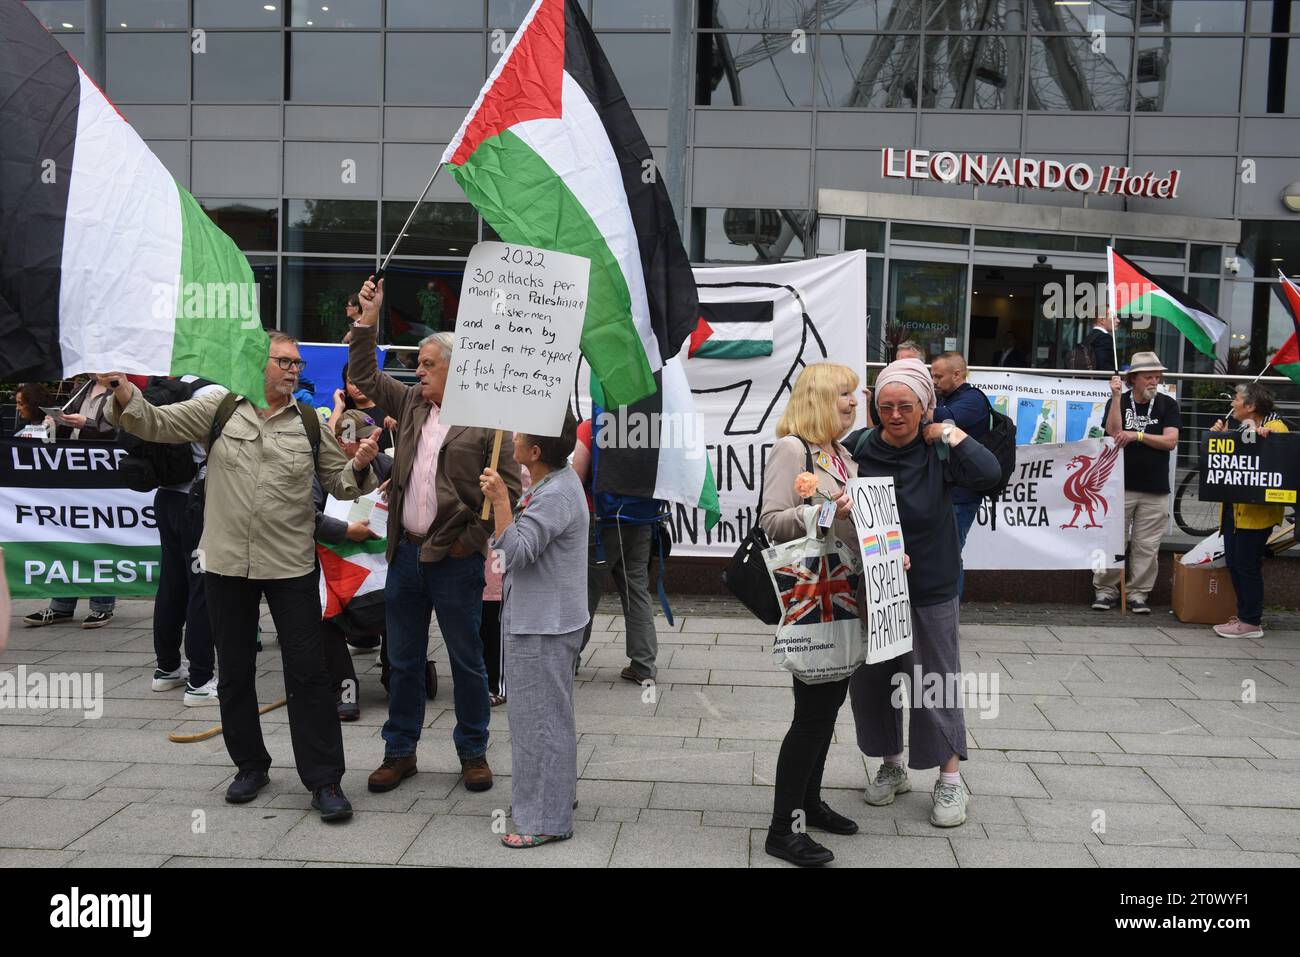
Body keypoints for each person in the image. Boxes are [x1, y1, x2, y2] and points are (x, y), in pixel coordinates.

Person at [101, 332, 379, 822]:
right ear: (259, 363)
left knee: (309, 673)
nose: (294, 369)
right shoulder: (219, 407)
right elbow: (153, 422)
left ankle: (324, 780)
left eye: (297, 362)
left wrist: (362, 463)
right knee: (233, 671)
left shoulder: (311, 421)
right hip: (227, 563)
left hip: (291, 563)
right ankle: (250, 765)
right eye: (284, 361)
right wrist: (121, 387)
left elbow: (342, 483)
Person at [350, 276, 523, 796]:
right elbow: (362, 373)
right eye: (419, 364)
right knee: (401, 660)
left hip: (454, 560)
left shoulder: (489, 422)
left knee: (467, 662)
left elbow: (506, 495)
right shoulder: (410, 406)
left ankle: (473, 752)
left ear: (456, 369)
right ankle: (399, 752)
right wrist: (367, 320)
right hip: (405, 556)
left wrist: (470, 539)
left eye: (428, 365)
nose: (418, 371)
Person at [849, 358, 1001, 829]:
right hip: (876, 583)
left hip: (932, 581)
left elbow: (989, 474)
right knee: (876, 678)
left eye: (906, 406)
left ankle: (951, 779)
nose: (895, 415)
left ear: (925, 408)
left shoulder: (939, 449)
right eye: (886, 406)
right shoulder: (859, 447)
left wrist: (951, 434)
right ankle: (891, 764)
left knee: (935, 678)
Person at [758, 363, 863, 868]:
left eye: (854, 394)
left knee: (827, 710)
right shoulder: (791, 449)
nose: (853, 401)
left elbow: (857, 524)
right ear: (820, 397)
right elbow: (772, 522)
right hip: (812, 599)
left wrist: (885, 550)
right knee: (812, 716)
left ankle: (810, 803)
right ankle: (784, 830)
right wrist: (826, 512)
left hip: (843, 596)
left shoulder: (841, 454)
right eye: (845, 393)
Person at [479, 413, 589, 848]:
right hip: (548, 618)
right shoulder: (557, 482)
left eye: (521, 435)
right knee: (551, 716)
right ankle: (555, 798)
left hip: (543, 624)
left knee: (536, 722)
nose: (515, 439)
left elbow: (516, 554)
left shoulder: (555, 493)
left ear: (536, 452)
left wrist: (503, 505)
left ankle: (544, 818)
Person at [150, 375, 226, 706]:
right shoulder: (217, 392)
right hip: (199, 500)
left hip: (167, 497)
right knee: (202, 587)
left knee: (172, 582)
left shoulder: (172, 385)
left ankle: (167, 668)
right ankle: (200, 679)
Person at [21, 377, 119, 629]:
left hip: (103, 475)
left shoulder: (122, 391)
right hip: (74, 471)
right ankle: (62, 605)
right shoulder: (82, 388)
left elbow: (124, 430)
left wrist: (87, 424)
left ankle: (102, 605)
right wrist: (55, 423)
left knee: (100, 538)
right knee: (68, 537)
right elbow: (68, 428)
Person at [314, 419, 394, 721]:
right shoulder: (318, 469)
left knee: (404, 606)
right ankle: (345, 690)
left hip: (382, 565)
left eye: (356, 438)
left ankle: (395, 677)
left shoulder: (388, 466)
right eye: (341, 437)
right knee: (323, 614)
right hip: (333, 566)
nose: (348, 445)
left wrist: (399, 488)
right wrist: (344, 531)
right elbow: (304, 514)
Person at [572, 416, 661, 684]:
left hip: (600, 521)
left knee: (586, 591)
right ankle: (644, 665)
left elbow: (576, 477)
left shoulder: (592, 426)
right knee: (637, 587)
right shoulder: (650, 425)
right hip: (640, 518)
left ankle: (569, 659)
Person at [1091, 352, 1180, 616]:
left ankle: (1138, 594)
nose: (1155, 381)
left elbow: (1171, 441)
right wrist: (1117, 398)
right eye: (1148, 376)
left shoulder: (1167, 404)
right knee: (1112, 540)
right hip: (1120, 485)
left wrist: (1139, 435)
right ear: (1133, 379)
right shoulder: (1119, 400)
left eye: (1157, 376)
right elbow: (1112, 432)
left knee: (1147, 546)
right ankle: (1105, 591)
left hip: (1155, 488)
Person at [1210, 384, 1288, 639]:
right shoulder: (1242, 427)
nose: (1232, 403)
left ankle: (1251, 622)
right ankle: (1244, 615)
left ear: (1251, 406)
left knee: (1246, 565)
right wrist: (1217, 439)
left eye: (1236, 399)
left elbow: (1277, 459)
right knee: (1235, 562)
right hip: (1236, 512)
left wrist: (1269, 439)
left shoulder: (1276, 428)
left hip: (1255, 516)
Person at [932, 352, 992, 595]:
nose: (933, 381)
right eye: (931, 375)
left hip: (962, 493)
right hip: (945, 489)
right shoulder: (945, 398)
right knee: (941, 554)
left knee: (949, 555)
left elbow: (947, 423)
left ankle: (949, 617)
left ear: (957, 375)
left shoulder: (972, 400)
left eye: (938, 376)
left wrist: (920, 408)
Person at [481, 465, 532, 706]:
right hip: (478, 542)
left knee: (494, 617)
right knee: (481, 617)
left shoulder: (518, 457)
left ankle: (498, 683)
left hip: (499, 544)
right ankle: (483, 679)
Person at [330, 361, 395, 450]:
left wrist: (398, 419)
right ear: (346, 389)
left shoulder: (390, 409)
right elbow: (328, 441)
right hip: (353, 463)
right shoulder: (345, 415)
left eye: (363, 379)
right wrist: (338, 406)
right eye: (352, 382)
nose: (358, 385)